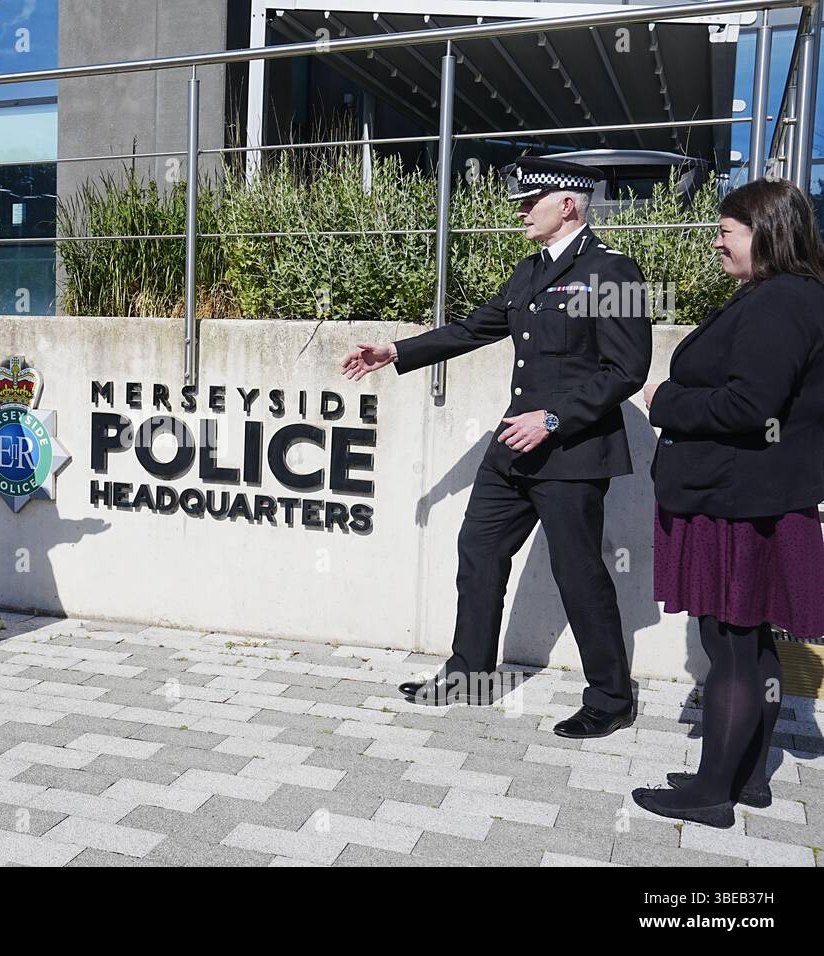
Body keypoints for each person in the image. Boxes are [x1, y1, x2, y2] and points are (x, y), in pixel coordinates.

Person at [341, 156, 652, 738]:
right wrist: (397, 352)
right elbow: (474, 328)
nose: (518, 210)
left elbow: (628, 369)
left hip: (572, 453)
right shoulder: (529, 271)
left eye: (528, 201)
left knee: (578, 572)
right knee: (478, 549)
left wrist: (554, 418)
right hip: (514, 448)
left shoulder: (614, 273)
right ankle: (470, 673)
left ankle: (612, 697)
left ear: (568, 205)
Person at [632, 179, 824, 828]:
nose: (716, 242)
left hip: (736, 501)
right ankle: (748, 781)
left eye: (727, 231)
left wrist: (665, 403)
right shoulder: (791, 298)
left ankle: (713, 792)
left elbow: (750, 405)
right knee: (752, 638)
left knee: (731, 644)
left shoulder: (779, 304)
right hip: (750, 495)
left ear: (767, 232)